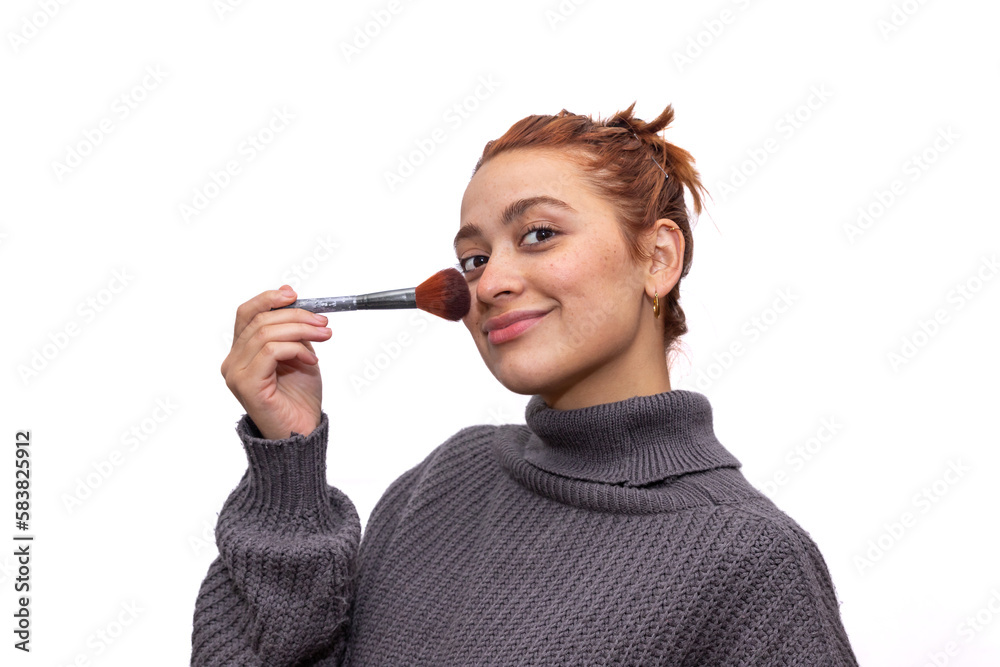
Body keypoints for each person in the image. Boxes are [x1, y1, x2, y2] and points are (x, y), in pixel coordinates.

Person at [190, 103, 860, 666]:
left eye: (539, 234)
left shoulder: (749, 558)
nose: (490, 282)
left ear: (657, 258)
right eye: (474, 258)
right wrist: (290, 464)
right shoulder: (444, 485)